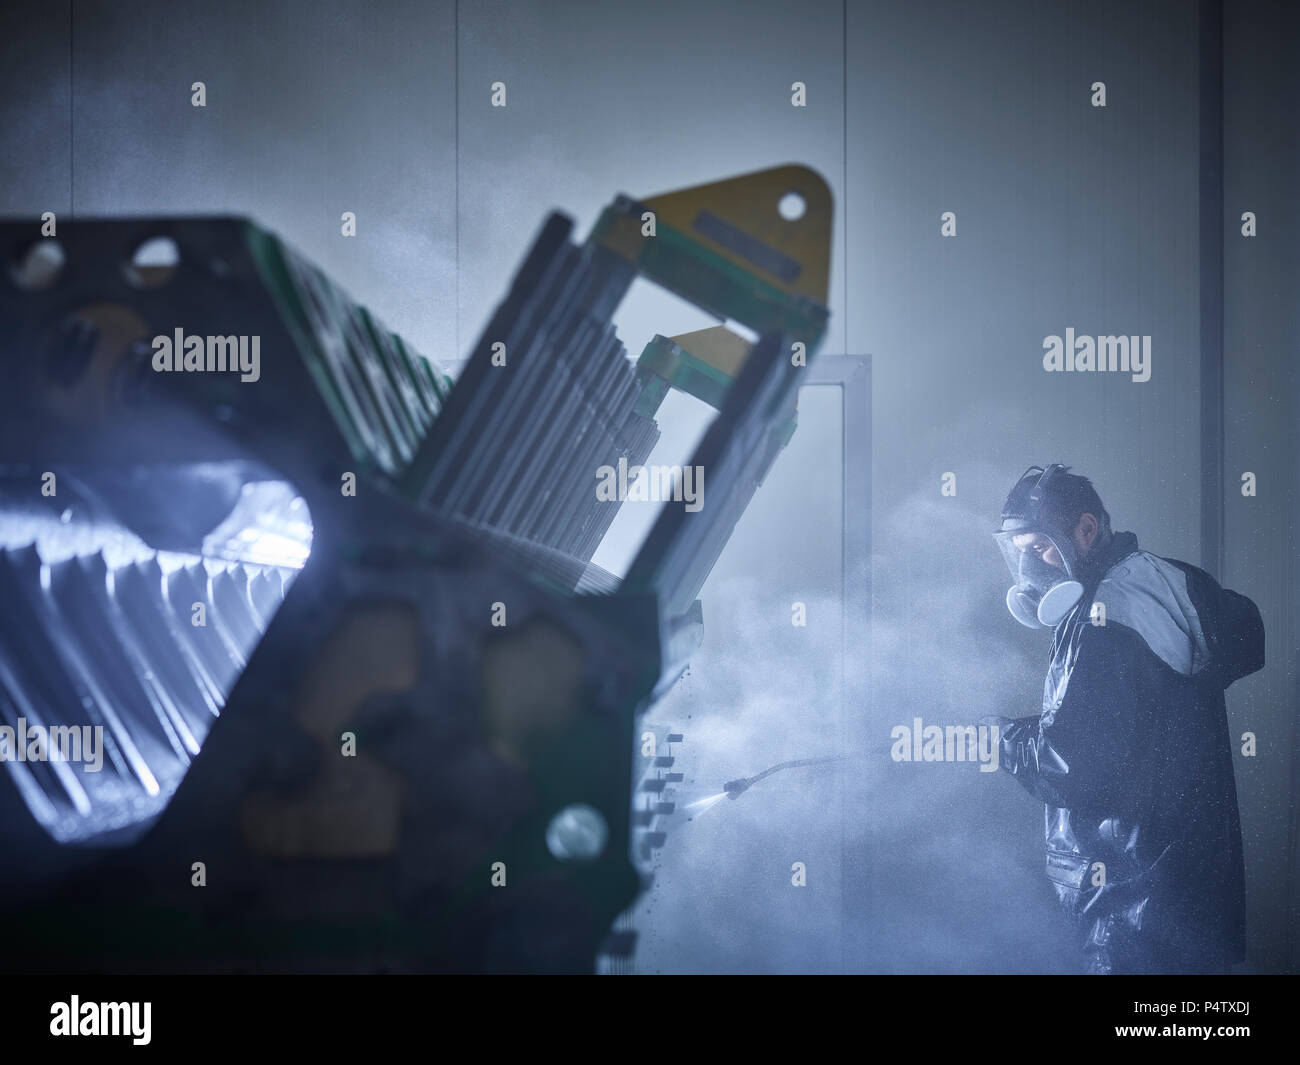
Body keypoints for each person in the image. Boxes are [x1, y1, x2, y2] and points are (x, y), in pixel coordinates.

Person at [988, 464, 1263, 974]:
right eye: (1019, 551)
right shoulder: (1166, 581)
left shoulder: (1102, 618)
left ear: (1086, 529)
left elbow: (1072, 769)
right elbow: (1131, 722)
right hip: (1192, 892)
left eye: (1040, 547)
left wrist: (998, 739)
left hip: (1128, 906)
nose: (1029, 567)